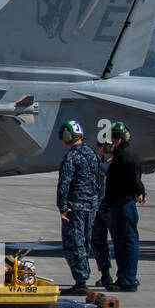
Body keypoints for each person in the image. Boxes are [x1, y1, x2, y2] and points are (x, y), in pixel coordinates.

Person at [55, 119, 100, 295]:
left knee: (74, 243)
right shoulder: (93, 154)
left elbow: (64, 184)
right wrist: (96, 203)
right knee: (85, 242)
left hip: (74, 208)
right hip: (90, 206)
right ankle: (82, 279)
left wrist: (62, 206)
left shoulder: (72, 156)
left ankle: (81, 281)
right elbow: (100, 182)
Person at [103, 121, 146, 292]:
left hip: (124, 205)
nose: (113, 140)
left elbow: (135, 179)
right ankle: (123, 278)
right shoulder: (120, 154)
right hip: (117, 204)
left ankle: (128, 280)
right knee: (120, 243)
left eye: (115, 136)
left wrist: (140, 193)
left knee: (128, 242)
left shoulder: (127, 156)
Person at [91, 141, 116, 288]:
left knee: (116, 242)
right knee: (99, 242)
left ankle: (121, 275)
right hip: (101, 208)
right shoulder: (100, 164)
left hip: (109, 208)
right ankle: (107, 275)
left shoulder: (113, 166)